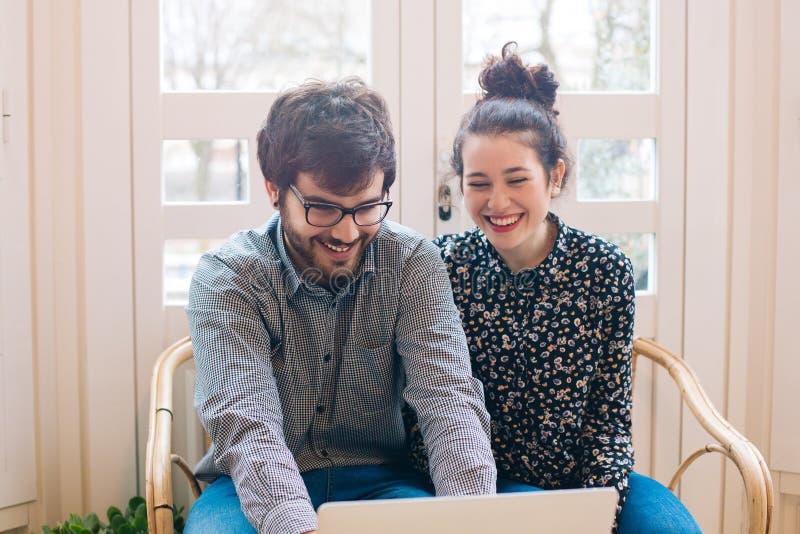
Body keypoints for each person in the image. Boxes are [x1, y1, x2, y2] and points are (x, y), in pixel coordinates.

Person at [407, 42, 701, 533]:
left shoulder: (604, 270)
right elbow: (425, 414)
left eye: (516, 179)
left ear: (555, 175)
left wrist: (595, 513)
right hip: (471, 484)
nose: (497, 202)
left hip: (585, 482)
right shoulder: (443, 266)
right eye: (478, 183)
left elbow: (609, 423)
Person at [185, 78, 497, 534]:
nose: (347, 234)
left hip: (382, 483)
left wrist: (471, 520)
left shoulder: (412, 263)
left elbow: (447, 400)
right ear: (274, 189)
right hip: (251, 489)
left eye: (367, 208)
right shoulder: (229, 278)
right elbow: (248, 425)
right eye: (323, 209)